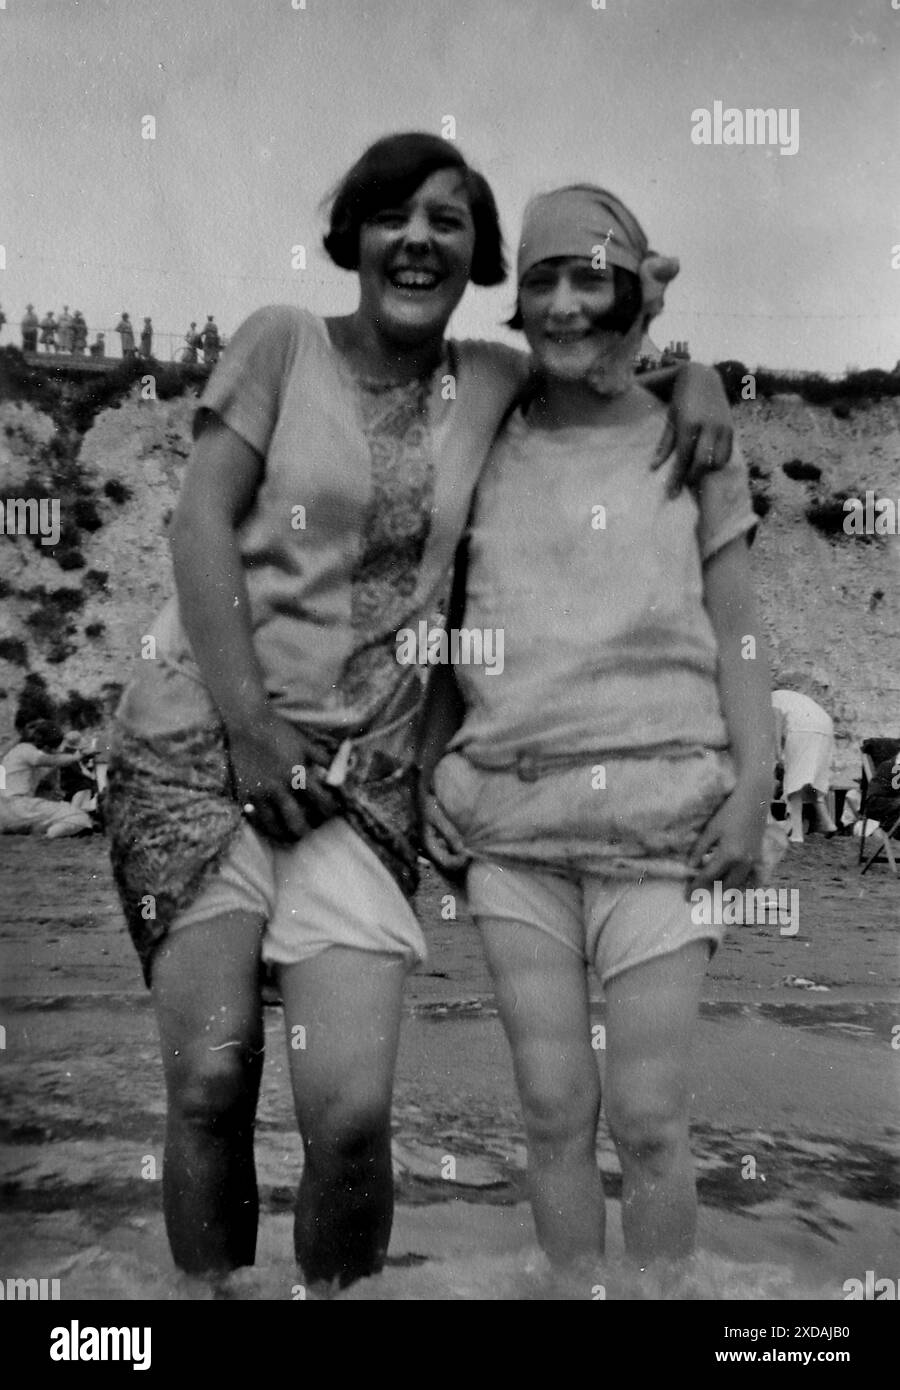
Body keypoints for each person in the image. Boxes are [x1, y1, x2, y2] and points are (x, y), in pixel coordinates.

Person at [103, 133, 735, 1292]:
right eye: (396, 215)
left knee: (346, 1118)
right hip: (199, 743)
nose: (420, 238)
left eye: (450, 220)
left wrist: (696, 379)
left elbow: (601, 369)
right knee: (210, 1082)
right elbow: (198, 527)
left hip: (362, 771)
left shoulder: (485, 381)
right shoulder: (278, 343)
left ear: (473, 254)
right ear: (353, 234)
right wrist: (250, 729)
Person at [421, 184, 777, 1275]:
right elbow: (444, 618)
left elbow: (739, 634)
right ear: (517, 300)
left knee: (653, 1118)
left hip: (669, 818)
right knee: (549, 1108)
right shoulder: (481, 433)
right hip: (513, 822)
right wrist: (432, 762)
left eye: (591, 277)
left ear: (629, 292)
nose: (568, 304)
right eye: (543, 279)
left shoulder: (694, 437)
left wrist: (757, 783)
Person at [0, 721, 94, 838]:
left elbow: (53, 763)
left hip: (7, 811)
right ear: (46, 746)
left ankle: (39, 830)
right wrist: (77, 757)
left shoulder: (17, 752)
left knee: (60, 811)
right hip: (17, 806)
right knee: (80, 817)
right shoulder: (26, 750)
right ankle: (48, 835)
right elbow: (50, 760)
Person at [771, 689, 838, 843]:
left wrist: (778, 753)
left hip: (802, 729)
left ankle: (797, 833)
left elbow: (776, 725)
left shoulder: (772, 698)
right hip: (825, 727)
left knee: (795, 781)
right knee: (812, 781)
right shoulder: (793, 698)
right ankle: (828, 823)